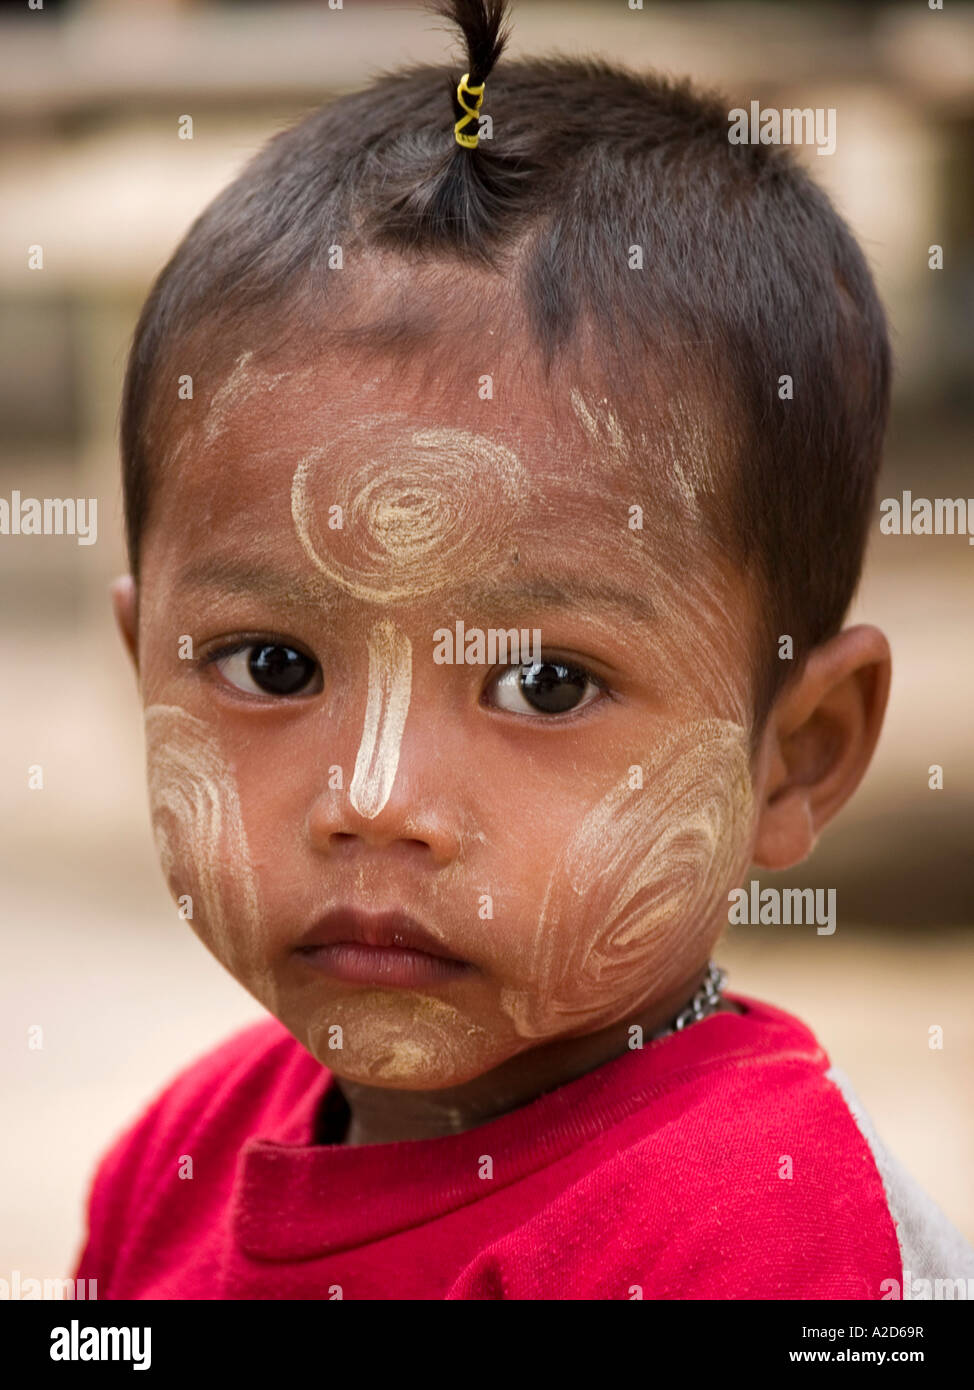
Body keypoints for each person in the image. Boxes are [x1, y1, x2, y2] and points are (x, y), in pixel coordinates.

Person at [71, 0, 974, 1299]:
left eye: (542, 684)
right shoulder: (174, 1161)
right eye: (272, 666)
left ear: (794, 757)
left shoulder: (749, 1229)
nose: (372, 799)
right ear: (139, 668)